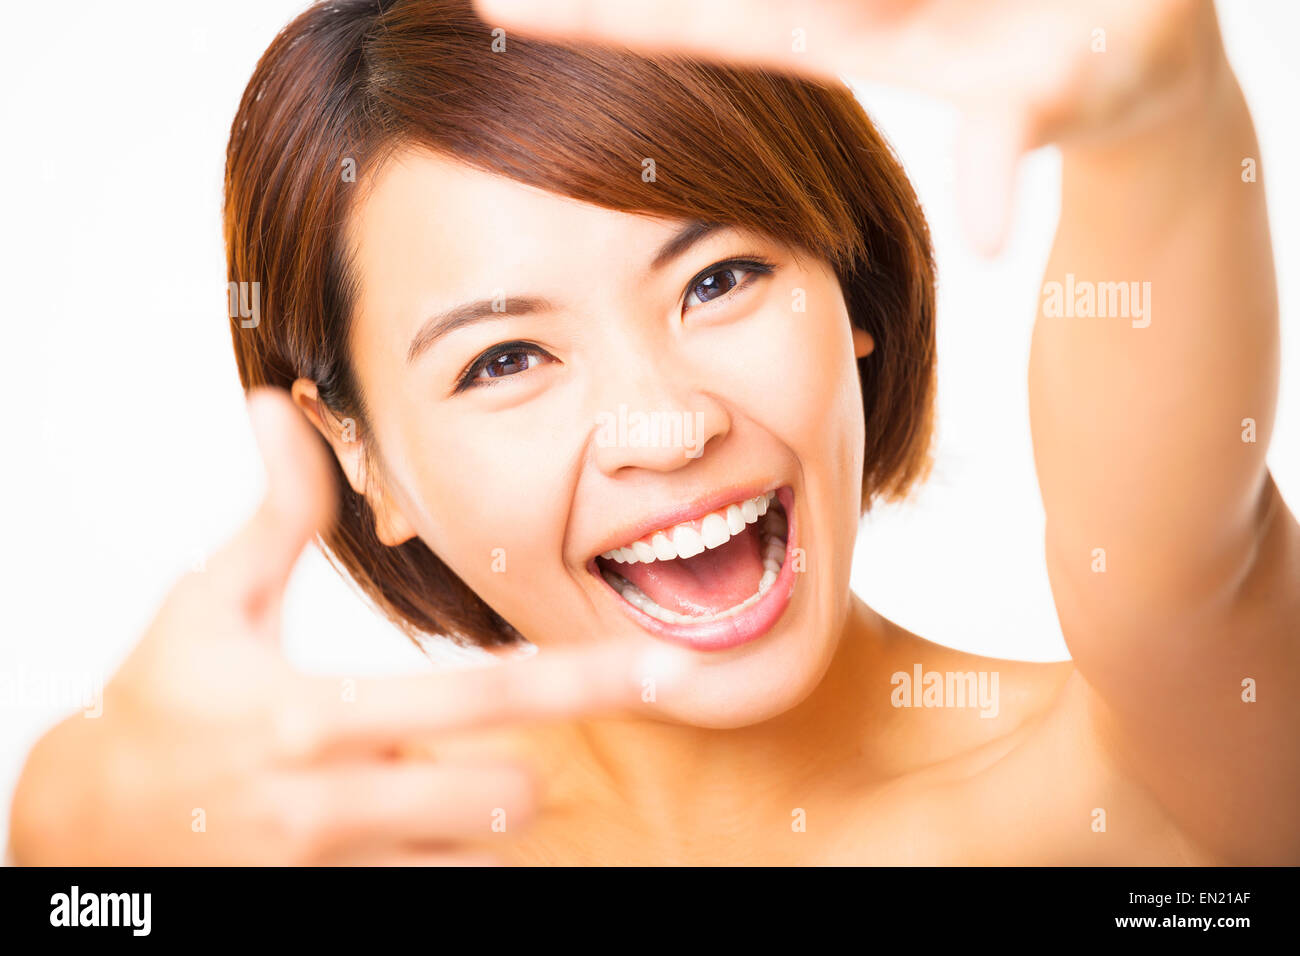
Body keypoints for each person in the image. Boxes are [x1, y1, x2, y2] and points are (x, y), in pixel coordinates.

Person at [9, 0, 1296, 865]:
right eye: (505, 357)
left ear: (847, 288)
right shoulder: (315, 842)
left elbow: (1181, 570)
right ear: (361, 462)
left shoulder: (1151, 791)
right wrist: (67, 832)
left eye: (720, 280)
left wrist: (1158, 128)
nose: (668, 425)